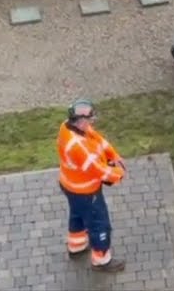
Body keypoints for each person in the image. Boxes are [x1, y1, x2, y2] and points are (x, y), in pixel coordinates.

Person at [57, 99, 126, 273]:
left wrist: (113, 154)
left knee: (78, 215)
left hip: (71, 186)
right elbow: (98, 170)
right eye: (90, 119)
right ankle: (102, 260)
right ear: (80, 120)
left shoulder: (68, 126)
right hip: (85, 191)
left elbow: (97, 139)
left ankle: (77, 246)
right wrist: (119, 174)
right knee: (99, 223)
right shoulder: (77, 147)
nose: (92, 122)